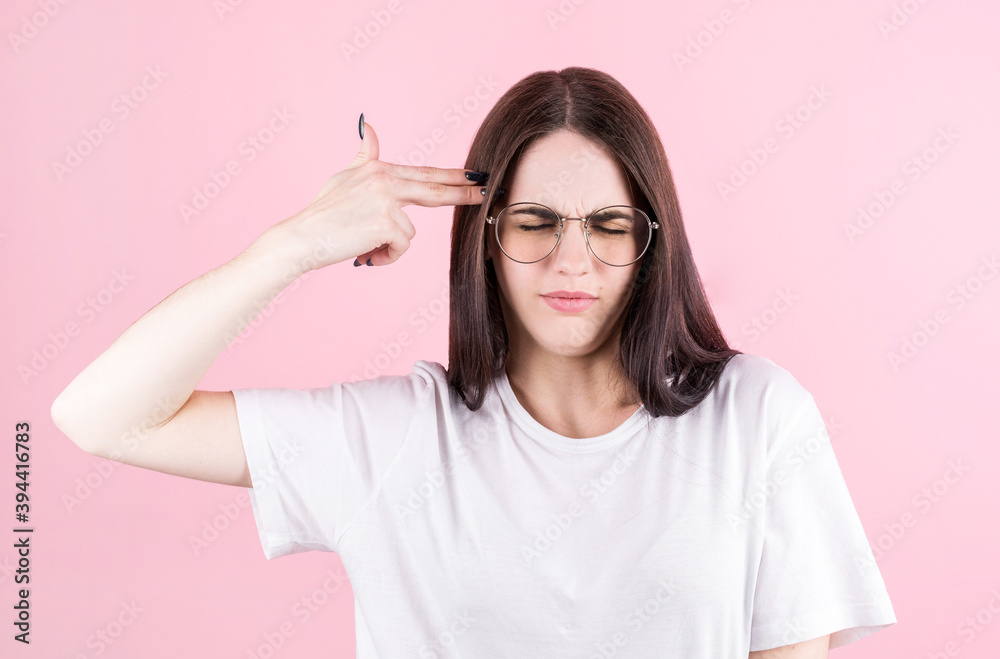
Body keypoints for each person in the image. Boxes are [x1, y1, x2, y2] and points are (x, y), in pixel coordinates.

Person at [52, 67, 896, 657]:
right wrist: (293, 246)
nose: (573, 261)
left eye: (608, 224)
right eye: (535, 222)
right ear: (484, 243)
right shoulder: (394, 439)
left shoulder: (758, 419)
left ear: (651, 244)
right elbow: (101, 415)